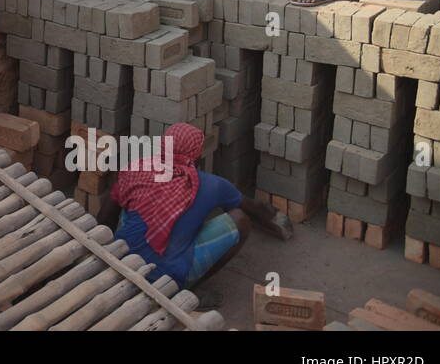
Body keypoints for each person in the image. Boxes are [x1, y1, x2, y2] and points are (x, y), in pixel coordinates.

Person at [95, 123, 292, 307]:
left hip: (123, 261)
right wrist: (274, 217)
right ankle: (187, 291)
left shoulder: (137, 168)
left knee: (128, 203)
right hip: (166, 279)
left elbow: (104, 218)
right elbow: (252, 208)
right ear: (196, 154)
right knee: (240, 220)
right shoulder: (213, 185)